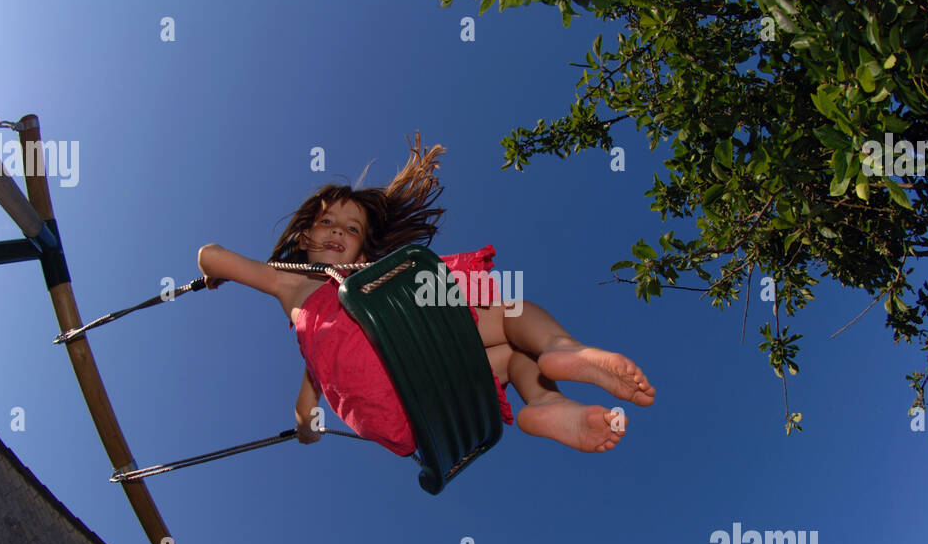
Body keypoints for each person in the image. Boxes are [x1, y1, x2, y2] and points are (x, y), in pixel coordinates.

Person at [196, 132, 655, 457]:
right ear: (303, 239)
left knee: (513, 357)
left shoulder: (312, 337)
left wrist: (307, 432)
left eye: (352, 229)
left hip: (407, 408)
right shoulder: (292, 279)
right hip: (401, 377)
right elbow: (212, 256)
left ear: (363, 247)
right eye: (327, 223)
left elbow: (210, 254)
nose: (338, 231)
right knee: (510, 309)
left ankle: (549, 405)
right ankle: (564, 348)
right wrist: (221, 271)